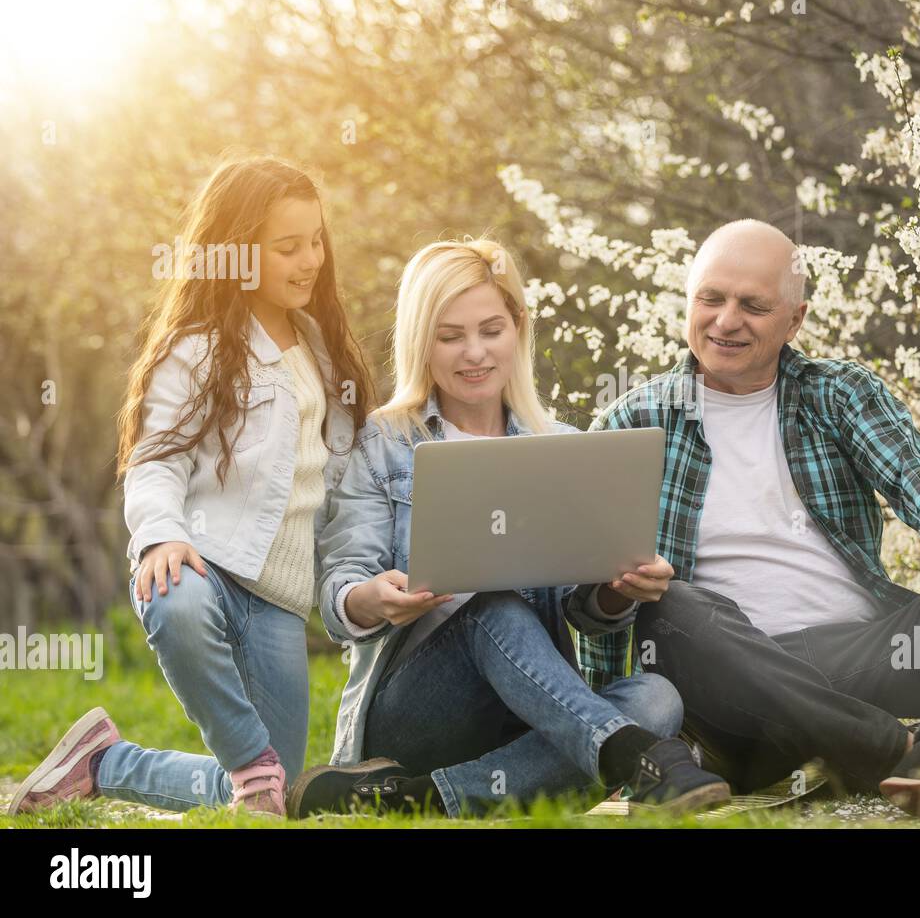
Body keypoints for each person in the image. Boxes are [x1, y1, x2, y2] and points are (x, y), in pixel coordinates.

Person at [579, 219, 920, 816]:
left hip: (865, 657)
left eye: (753, 305)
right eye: (711, 299)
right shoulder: (633, 420)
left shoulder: (836, 392)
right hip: (730, 689)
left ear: (795, 320)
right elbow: (588, 602)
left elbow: (912, 468)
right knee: (668, 604)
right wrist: (616, 718)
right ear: (689, 299)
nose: (726, 321)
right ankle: (897, 749)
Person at [288, 239, 729, 819]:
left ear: (518, 328)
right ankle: (629, 757)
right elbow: (340, 586)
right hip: (416, 712)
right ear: (422, 342)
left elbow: (582, 612)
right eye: (450, 336)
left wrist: (616, 590)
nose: (474, 353)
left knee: (655, 698)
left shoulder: (563, 449)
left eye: (491, 330)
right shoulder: (385, 444)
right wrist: (368, 599)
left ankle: (414, 800)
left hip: (532, 715)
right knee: (494, 604)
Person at [8, 156, 376, 818]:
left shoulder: (329, 352)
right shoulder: (198, 349)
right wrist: (160, 537)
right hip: (205, 564)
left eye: (316, 241)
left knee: (272, 794)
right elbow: (155, 460)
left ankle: (102, 762)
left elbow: (347, 480)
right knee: (173, 597)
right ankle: (238, 760)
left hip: (278, 603)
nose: (309, 260)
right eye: (287, 246)